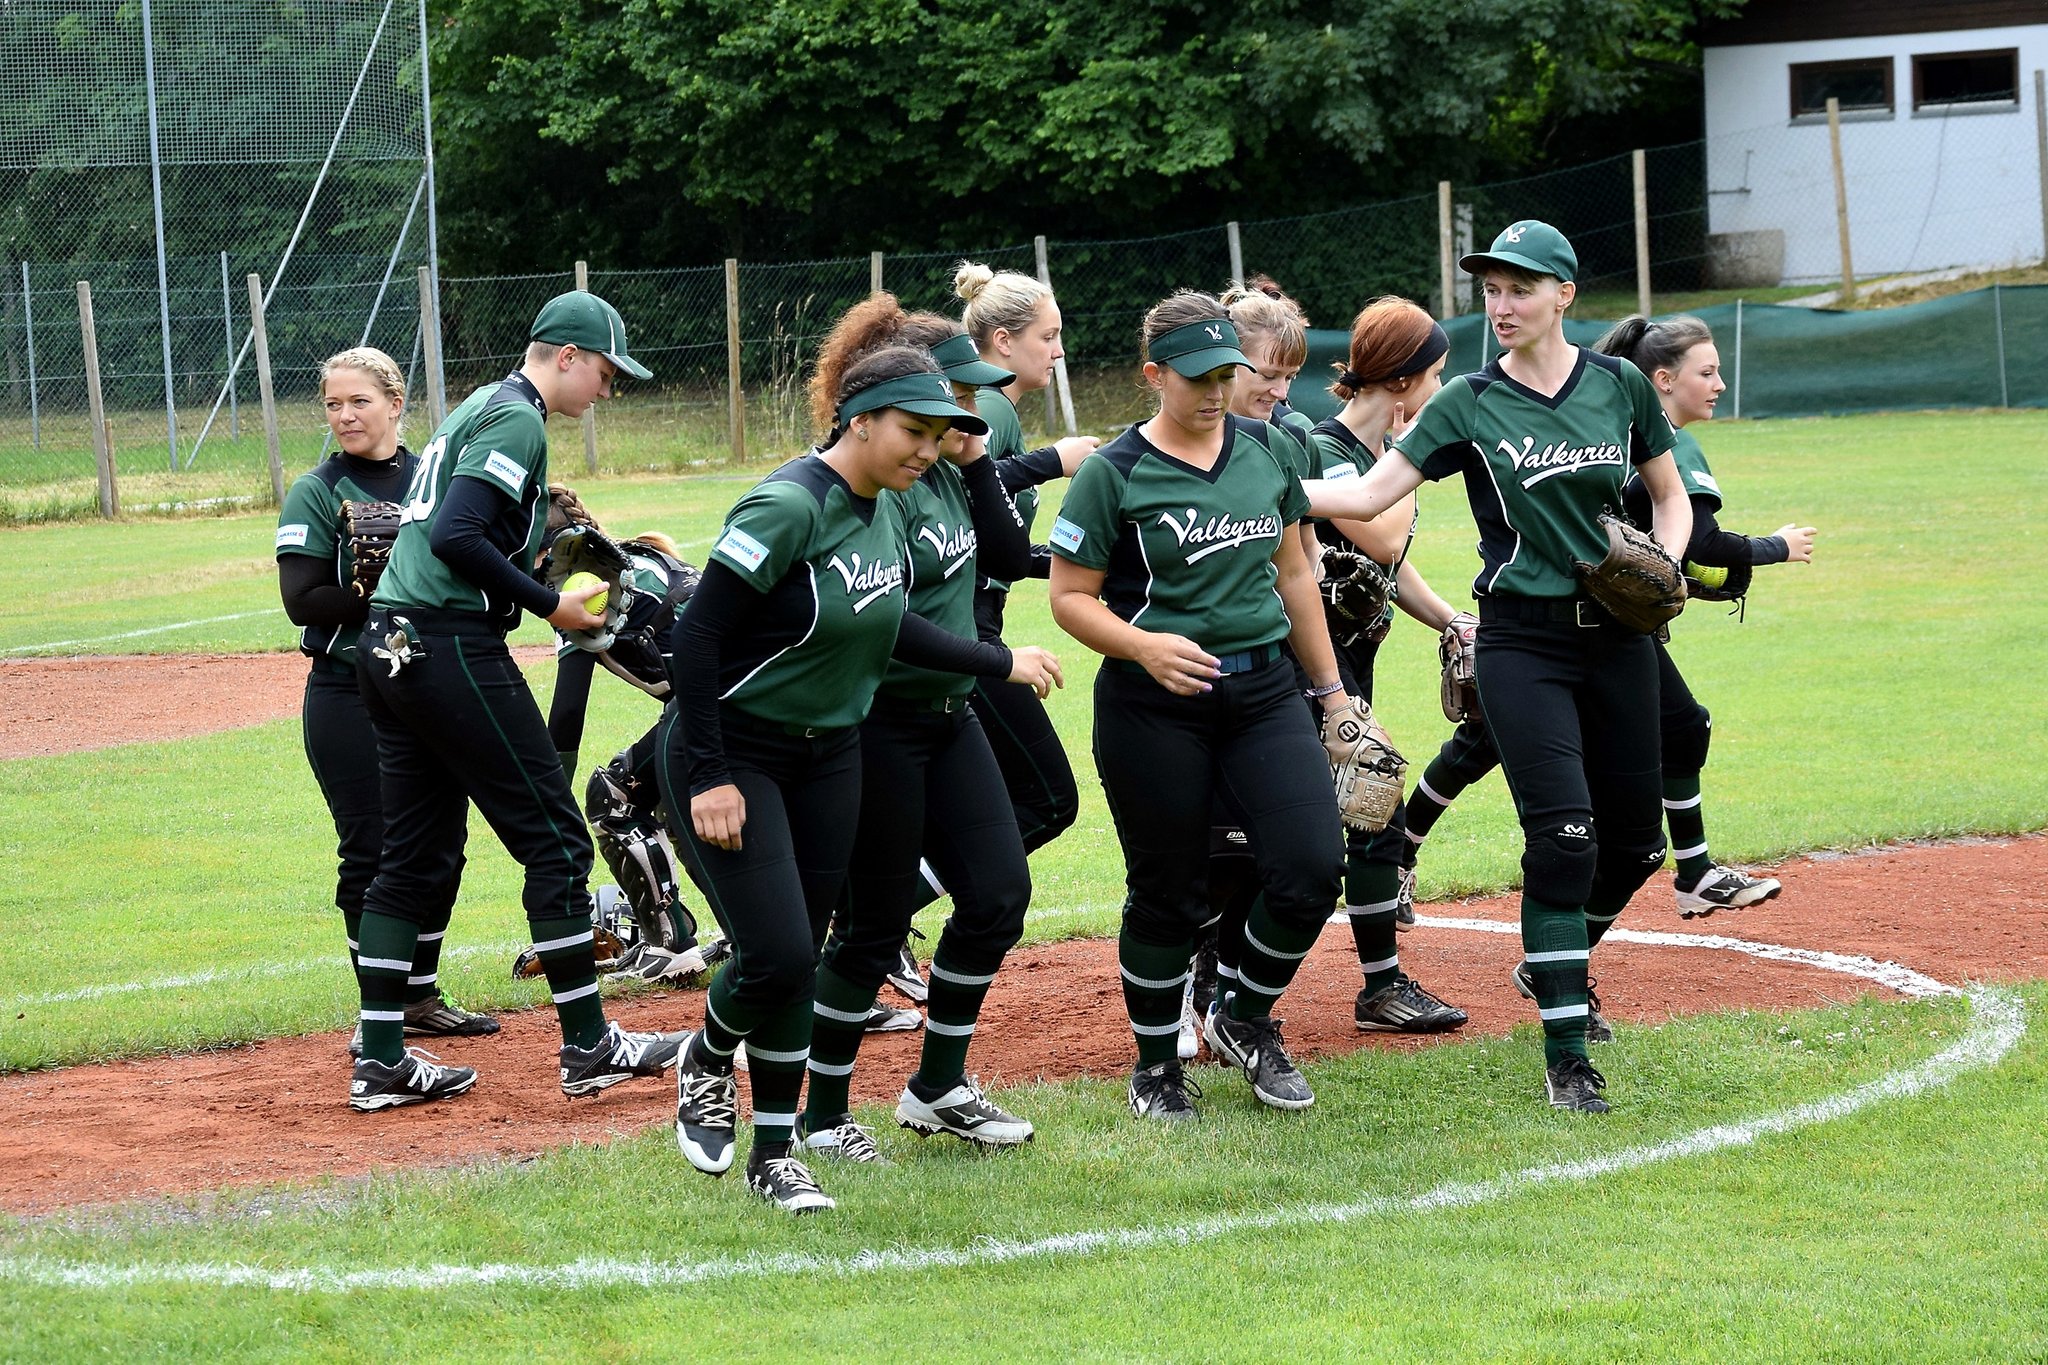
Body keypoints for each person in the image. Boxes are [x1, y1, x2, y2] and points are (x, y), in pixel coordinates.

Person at [1302, 222, 1692, 1114]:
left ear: (1564, 295)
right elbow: (1367, 495)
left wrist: (1664, 565)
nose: (1502, 305)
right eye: (1491, 289)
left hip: (1620, 639)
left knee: (1634, 839)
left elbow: (1668, 497)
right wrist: (1266, 486)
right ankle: (1566, 1057)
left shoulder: (1620, 384)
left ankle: (1551, 961)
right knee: (1564, 838)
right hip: (1522, 642)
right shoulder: (1468, 403)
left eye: (1521, 288)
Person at [660, 340, 1053, 1213]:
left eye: (938, 432)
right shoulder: (789, 503)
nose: (926, 447)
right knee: (780, 953)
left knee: (800, 956)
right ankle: (705, 1054)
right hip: (737, 751)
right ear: (859, 419)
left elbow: (887, 626)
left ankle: (774, 1152)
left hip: (830, 751)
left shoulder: (885, 502)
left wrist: (994, 661)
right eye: (912, 430)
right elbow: (698, 635)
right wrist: (711, 773)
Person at [348, 291, 684, 1111]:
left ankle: (382, 1059)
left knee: (413, 855)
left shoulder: (478, 403)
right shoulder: (519, 418)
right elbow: (460, 533)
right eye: (605, 370)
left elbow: (442, 530)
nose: (607, 389)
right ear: (566, 355)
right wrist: (552, 607)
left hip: (388, 643)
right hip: (446, 644)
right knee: (559, 844)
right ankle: (590, 1046)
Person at [1049, 290, 1352, 1122]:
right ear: (1154, 375)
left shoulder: (1268, 449)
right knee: (1168, 889)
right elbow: (1069, 596)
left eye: (1227, 373)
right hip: (1154, 702)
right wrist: (1141, 644)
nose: (1216, 391)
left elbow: (1296, 574)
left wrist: (1329, 693)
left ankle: (1244, 1016)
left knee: (1311, 865)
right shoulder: (1113, 474)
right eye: (1197, 378)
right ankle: (1156, 1067)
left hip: (1263, 691)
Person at [795, 296, 1061, 1162]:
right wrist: (998, 661)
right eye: (963, 395)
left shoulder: (943, 470)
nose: (978, 407)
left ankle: (937, 1086)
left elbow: (1003, 552)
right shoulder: (881, 488)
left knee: (996, 895)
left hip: (947, 718)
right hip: (877, 723)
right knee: (871, 927)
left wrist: (977, 456)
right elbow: (887, 619)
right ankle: (823, 1114)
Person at [867, 264, 1098, 1000]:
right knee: (1048, 801)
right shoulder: (987, 413)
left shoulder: (980, 422)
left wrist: (1074, 561)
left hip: (960, 654)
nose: (1058, 351)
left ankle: (877, 927)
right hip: (950, 650)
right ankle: (870, 927)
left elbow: (996, 540)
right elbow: (977, 509)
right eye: (1048, 336)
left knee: (1006, 843)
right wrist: (1054, 462)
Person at [275, 347, 497, 1054]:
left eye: (359, 402)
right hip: (346, 691)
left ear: (396, 404)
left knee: (442, 845)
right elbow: (301, 599)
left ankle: (421, 995)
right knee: (371, 850)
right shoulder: (318, 489)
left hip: (429, 684)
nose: (344, 415)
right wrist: (377, 586)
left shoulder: (432, 476)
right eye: (333, 404)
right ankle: (380, 1010)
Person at [1604, 314, 1815, 914]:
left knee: (1679, 726)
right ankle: (1690, 874)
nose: (1720, 383)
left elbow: (1659, 545)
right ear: (1664, 380)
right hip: (1599, 627)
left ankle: (1694, 872)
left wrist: (1687, 578)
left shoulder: (1612, 427)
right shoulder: (1669, 439)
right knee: (1677, 732)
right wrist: (1776, 547)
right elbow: (1701, 542)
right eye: (1708, 372)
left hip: (1599, 617)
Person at [537, 485, 721, 984]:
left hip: (720, 706)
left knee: (613, 794)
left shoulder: (585, 585)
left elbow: (568, 713)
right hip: (744, 693)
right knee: (663, 792)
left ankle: (672, 945)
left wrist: (547, 801)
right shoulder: (636, 554)